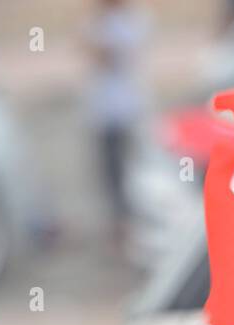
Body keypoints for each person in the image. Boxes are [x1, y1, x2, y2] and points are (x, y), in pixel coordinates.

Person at [82, 0, 149, 246]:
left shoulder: (132, 19)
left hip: (126, 111)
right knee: (109, 173)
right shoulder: (97, 21)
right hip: (102, 113)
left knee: (130, 170)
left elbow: (109, 55)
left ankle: (133, 222)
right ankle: (118, 222)